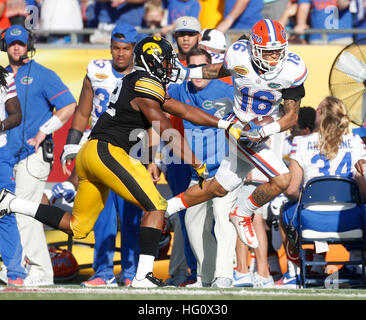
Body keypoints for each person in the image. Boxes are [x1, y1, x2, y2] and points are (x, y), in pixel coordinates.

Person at [0, 36, 241, 288]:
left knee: (77, 227)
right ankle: (142, 277)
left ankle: (12, 203)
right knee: (157, 205)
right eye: (166, 61)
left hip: (91, 153)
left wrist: (223, 122)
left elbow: (185, 110)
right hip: (108, 152)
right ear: (153, 62)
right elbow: (167, 130)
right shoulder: (146, 84)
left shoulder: (138, 82)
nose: (170, 66)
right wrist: (198, 165)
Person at [167, 19, 308, 269]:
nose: (275, 56)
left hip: (259, 134)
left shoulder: (292, 69)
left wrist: (263, 131)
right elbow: (216, 71)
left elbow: (291, 117)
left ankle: (167, 207)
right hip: (238, 128)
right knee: (283, 180)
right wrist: (190, 73)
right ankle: (242, 213)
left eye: (279, 50)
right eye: (269, 51)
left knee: (218, 188)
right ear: (254, 48)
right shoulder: (238, 56)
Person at [48, 23, 143, 287]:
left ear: (134, 49)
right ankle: (103, 272)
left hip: (130, 151)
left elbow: (154, 118)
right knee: (101, 216)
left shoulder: (144, 74)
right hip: (97, 150)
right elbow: (82, 111)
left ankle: (131, 272)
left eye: (126, 49)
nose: (120, 54)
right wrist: (71, 144)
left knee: (131, 217)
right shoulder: (97, 70)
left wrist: (153, 157)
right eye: (115, 48)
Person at [4, 25, 77, 286]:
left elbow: (69, 105)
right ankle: (19, 268)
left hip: (32, 156)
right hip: (6, 157)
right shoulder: (2, 76)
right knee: (9, 214)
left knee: (25, 213)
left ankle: (40, 271)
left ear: (29, 45)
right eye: (12, 43)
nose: (16, 47)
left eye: (21, 43)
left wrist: (44, 131)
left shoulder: (43, 74)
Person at [278, 96, 366, 288]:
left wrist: (306, 195)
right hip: (349, 217)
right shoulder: (356, 141)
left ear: (321, 115)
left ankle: (295, 271)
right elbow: (363, 191)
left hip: (312, 218)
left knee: (285, 209)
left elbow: (292, 190)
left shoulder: (300, 142)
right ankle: (356, 262)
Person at [167, 47, 237, 288]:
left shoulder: (228, 90)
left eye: (202, 67)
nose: (197, 73)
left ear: (212, 69)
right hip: (199, 173)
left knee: (222, 217)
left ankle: (225, 276)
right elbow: (155, 95)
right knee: (192, 223)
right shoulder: (179, 90)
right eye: (192, 67)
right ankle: (205, 278)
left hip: (227, 170)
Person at [163, 15, 203, 287]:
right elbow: (155, 113)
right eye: (181, 34)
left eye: (190, 33)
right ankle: (190, 270)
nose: (186, 38)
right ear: (175, 38)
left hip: (207, 150)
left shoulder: (209, 65)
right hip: (176, 150)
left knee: (209, 215)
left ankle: (206, 269)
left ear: (199, 37)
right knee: (183, 214)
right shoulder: (166, 67)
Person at [0, 65, 27, 286]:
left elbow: (16, 114)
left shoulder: (4, 75)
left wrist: (1, 124)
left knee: (4, 209)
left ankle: (15, 272)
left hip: (0, 152)